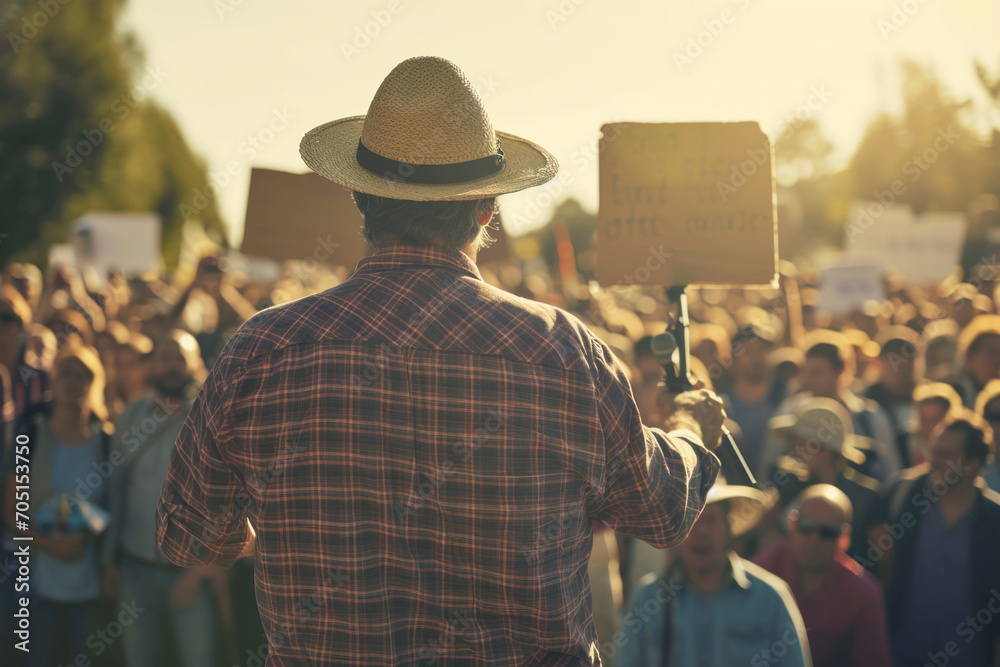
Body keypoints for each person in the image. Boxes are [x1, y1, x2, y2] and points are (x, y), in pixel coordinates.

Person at [154, 56, 725, 665]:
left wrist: (275, 522)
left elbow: (187, 535)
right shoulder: (561, 351)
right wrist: (690, 428)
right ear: (486, 207)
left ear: (361, 197)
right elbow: (661, 512)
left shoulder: (262, 350)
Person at [102, 330, 225, 667]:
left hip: (191, 573)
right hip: (135, 569)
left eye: (180, 358)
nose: (171, 366)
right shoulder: (131, 416)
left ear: (197, 365)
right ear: (152, 365)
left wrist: (205, 568)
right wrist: (108, 557)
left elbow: (232, 497)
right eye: (164, 357)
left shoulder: (214, 416)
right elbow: (116, 490)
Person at [616, 478, 810, 667]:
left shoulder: (770, 597)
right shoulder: (647, 599)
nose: (700, 532)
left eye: (710, 520)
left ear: (729, 527)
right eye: (691, 521)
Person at [5, 340, 112, 667]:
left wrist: (90, 536)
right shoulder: (30, 434)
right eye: (66, 372)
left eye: (82, 375)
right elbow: (11, 511)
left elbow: (111, 507)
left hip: (87, 582)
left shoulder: (105, 439)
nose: (73, 381)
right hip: (36, 582)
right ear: (54, 378)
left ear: (93, 383)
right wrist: (45, 542)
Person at [875, 412, 1000, 666]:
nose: (934, 461)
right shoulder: (904, 496)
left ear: (972, 465)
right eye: (934, 451)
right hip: (903, 653)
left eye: (946, 455)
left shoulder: (994, 521)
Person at [754, 485, 892, 667]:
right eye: (806, 528)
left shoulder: (863, 594)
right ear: (792, 524)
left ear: (844, 538)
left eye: (827, 533)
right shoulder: (759, 574)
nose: (814, 541)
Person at [762, 398, 882, 563]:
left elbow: (882, 558)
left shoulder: (867, 497)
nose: (794, 447)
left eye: (801, 441)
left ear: (825, 450)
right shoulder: (787, 487)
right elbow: (768, 540)